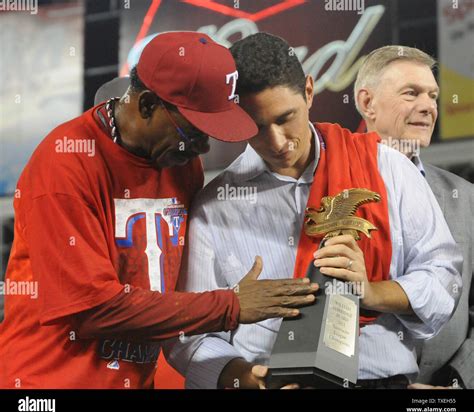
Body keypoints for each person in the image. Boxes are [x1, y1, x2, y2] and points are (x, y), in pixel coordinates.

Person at [0, 32, 318, 389]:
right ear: (148, 105)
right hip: (46, 385)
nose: (202, 147)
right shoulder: (65, 164)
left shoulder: (181, 163)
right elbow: (90, 309)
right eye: (196, 130)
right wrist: (231, 305)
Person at [165, 32, 463, 389]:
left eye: (285, 118)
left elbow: (444, 278)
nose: (277, 142)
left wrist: (371, 291)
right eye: (256, 127)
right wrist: (241, 376)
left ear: (309, 91)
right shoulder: (214, 206)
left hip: (382, 380)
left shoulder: (389, 168)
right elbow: (188, 332)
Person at [353, 45, 473, 389]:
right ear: (366, 103)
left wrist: (455, 384)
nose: (428, 106)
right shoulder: (330, 189)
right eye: (412, 93)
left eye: (433, 96)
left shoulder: (465, 197)